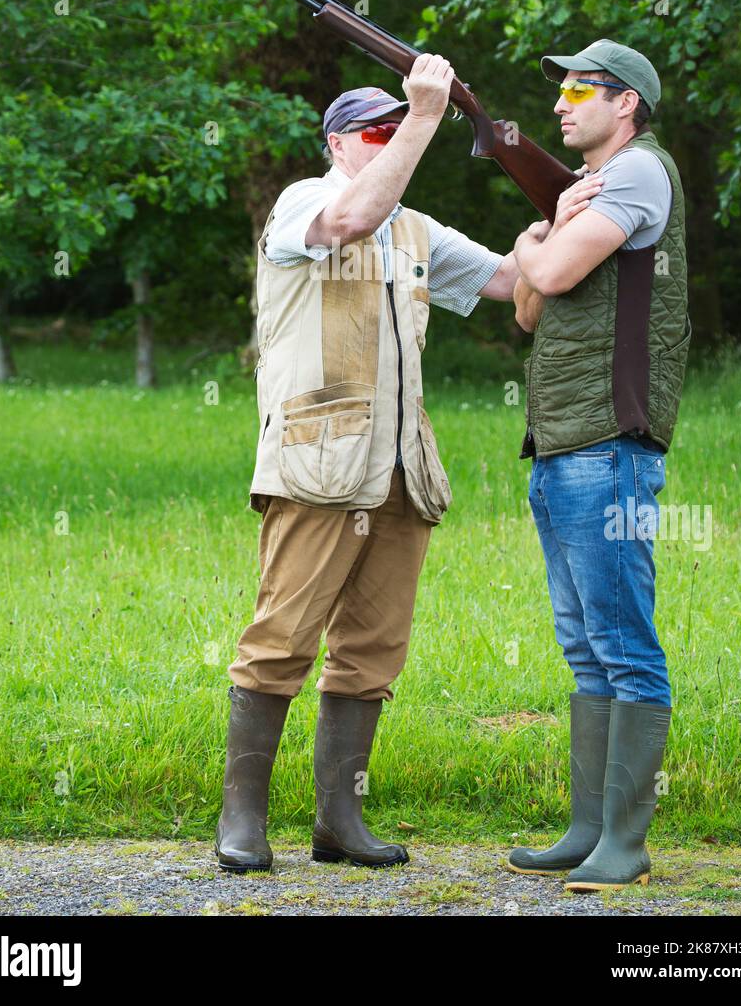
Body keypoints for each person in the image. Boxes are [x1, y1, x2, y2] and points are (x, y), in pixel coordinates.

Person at [218, 55, 521, 872]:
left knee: (372, 650)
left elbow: (512, 280)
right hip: (318, 464)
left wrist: (572, 212)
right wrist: (427, 116)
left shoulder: (416, 228)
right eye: (379, 129)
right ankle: (241, 822)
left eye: (402, 123)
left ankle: (337, 825)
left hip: (400, 470)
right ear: (338, 143)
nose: (394, 135)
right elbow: (350, 220)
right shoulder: (306, 202)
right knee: (281, 639)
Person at [507, 38, 691, 891]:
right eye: (562, 89)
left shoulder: (640, 174)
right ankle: (587, 830)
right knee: (586, 649)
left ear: (628, 104)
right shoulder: (589, 193)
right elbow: (528, 310)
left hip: (612, 444)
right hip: (562, 445)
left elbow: (542, 268)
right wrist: (546, 226)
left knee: (625, 646)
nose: (559, 104)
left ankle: (627, 840)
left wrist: (545, 233)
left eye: (581, 88)